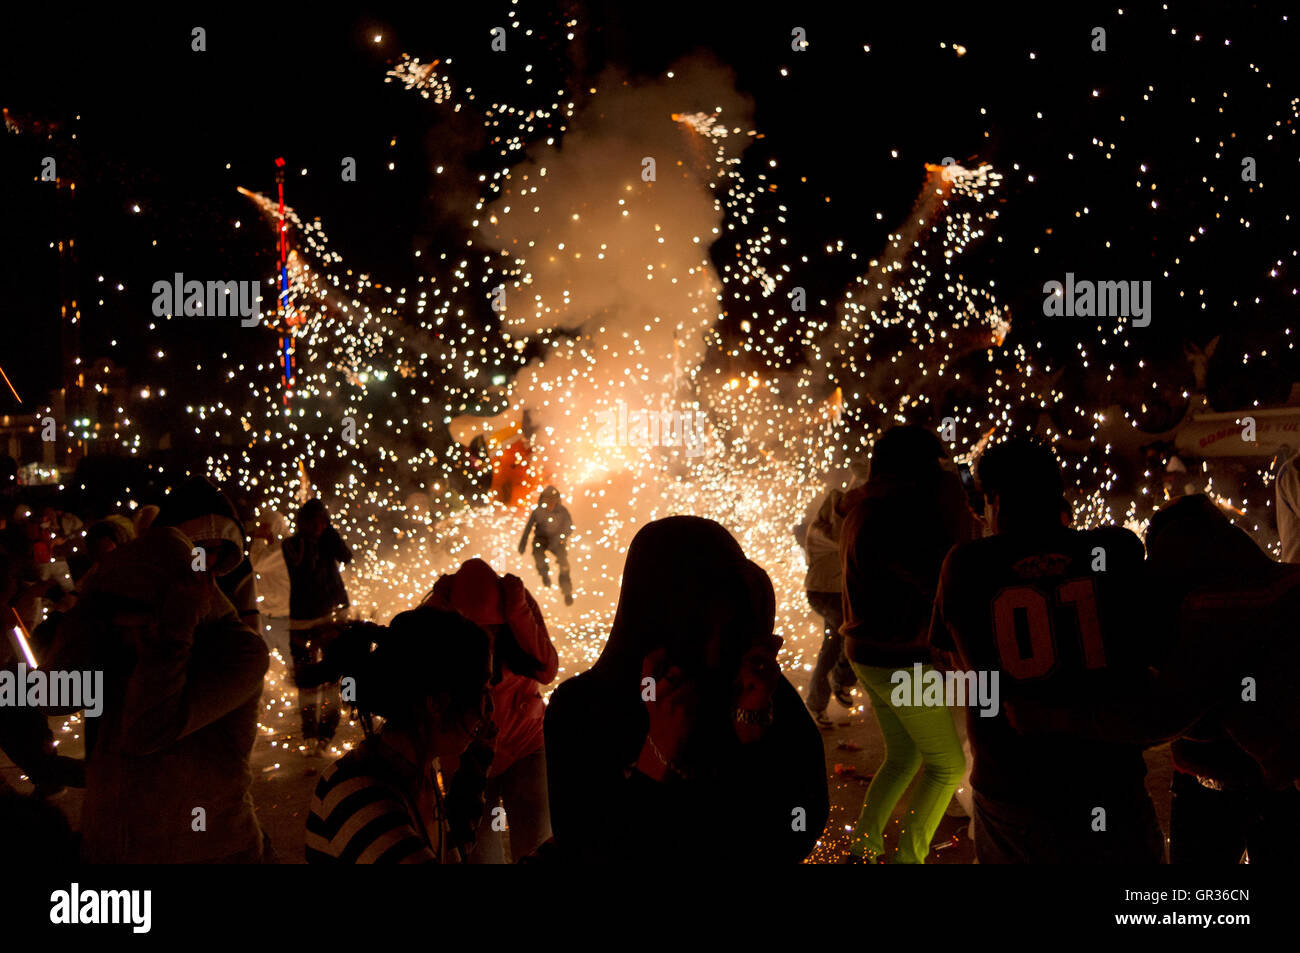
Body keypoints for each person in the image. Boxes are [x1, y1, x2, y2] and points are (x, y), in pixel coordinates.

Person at [1007, 494, 1300, 861]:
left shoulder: (1213, 608)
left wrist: (1052, 718)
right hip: (1268, 779)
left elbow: (1158, 715)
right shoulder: (1284, 582)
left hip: (1234, 777)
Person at [929, 436, 1163, 864]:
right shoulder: (1116, 549)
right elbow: (1150, 643)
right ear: (1060, 492)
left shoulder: (966, 564)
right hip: (1110, 781)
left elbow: (953, 664)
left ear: (994, 498)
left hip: (1014, 788)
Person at [544, 516, 828, 863]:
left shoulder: (754, 687)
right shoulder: (581, 708)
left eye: (729, 621)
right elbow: (588, 850)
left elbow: (798, 829)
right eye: (700, 623)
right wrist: (657, 750)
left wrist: (753, 740)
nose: (716, 647)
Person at [38, 484, 271, 863]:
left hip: (207, 852)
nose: (203, 568)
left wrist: (174, 631)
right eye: (195, 552)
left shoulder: (236, 649)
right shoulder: (115, 635)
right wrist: (90, 608)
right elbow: (50, 697)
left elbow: (148, 730)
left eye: (213, 556)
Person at [838, 425, 978, 863]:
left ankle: (863, 846)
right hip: (902, 659)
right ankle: (908, 859)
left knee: (903, 756)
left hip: (868, 653)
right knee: (948, 765)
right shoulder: (895, 516)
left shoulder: (867, 508)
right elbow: (937, 577)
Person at [304, 608, 493, 864]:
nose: (488, 709)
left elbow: (452, 852)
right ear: (435, 703)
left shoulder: (420, 770)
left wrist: (475, 769)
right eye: (481, 689)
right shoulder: (359, 796)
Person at [422, 558, 558, 862]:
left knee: (536, 847)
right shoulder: (439, 632)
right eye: (474, 626)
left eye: (492, 626)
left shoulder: (515, 621)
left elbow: (547, 670)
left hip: (525, 746)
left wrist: (519, 613)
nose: (485, 634)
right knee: (479, 857)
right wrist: (435, 610)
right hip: (465, 759)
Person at [283, 498, 353, 752]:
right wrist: (313, 542)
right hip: (301, 621)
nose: (318, 526)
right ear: (303, 522)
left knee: (333, 676)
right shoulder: (292, 545)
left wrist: (329, 534)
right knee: (307, 679)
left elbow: (347, 556)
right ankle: (309, 732)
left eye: (323, 521)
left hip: (331, 618)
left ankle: (327, 731)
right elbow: (303, 571)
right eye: (314, 521)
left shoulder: (328, 544)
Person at [800, 478, 858, 726]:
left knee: (833, 643)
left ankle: (819, 701)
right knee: (847, 632)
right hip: (823, 593)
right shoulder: (820, 531)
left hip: (834, 593)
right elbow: (842, 538)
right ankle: (840, 681)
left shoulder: (829, 528)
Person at [519, 485, 573, 605]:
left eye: (553, 498)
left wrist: (560, 538)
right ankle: (544, 574)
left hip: (558, 540)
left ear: (557, 499)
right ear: (542, 499)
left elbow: (569, 527)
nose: (550, 501)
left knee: (564, 564)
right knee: (538, 553)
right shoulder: (538, 511)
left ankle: (567, 592)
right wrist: (522, 544)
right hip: (541, 539)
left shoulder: (563, 511)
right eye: (548, 498)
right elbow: (528, 528)